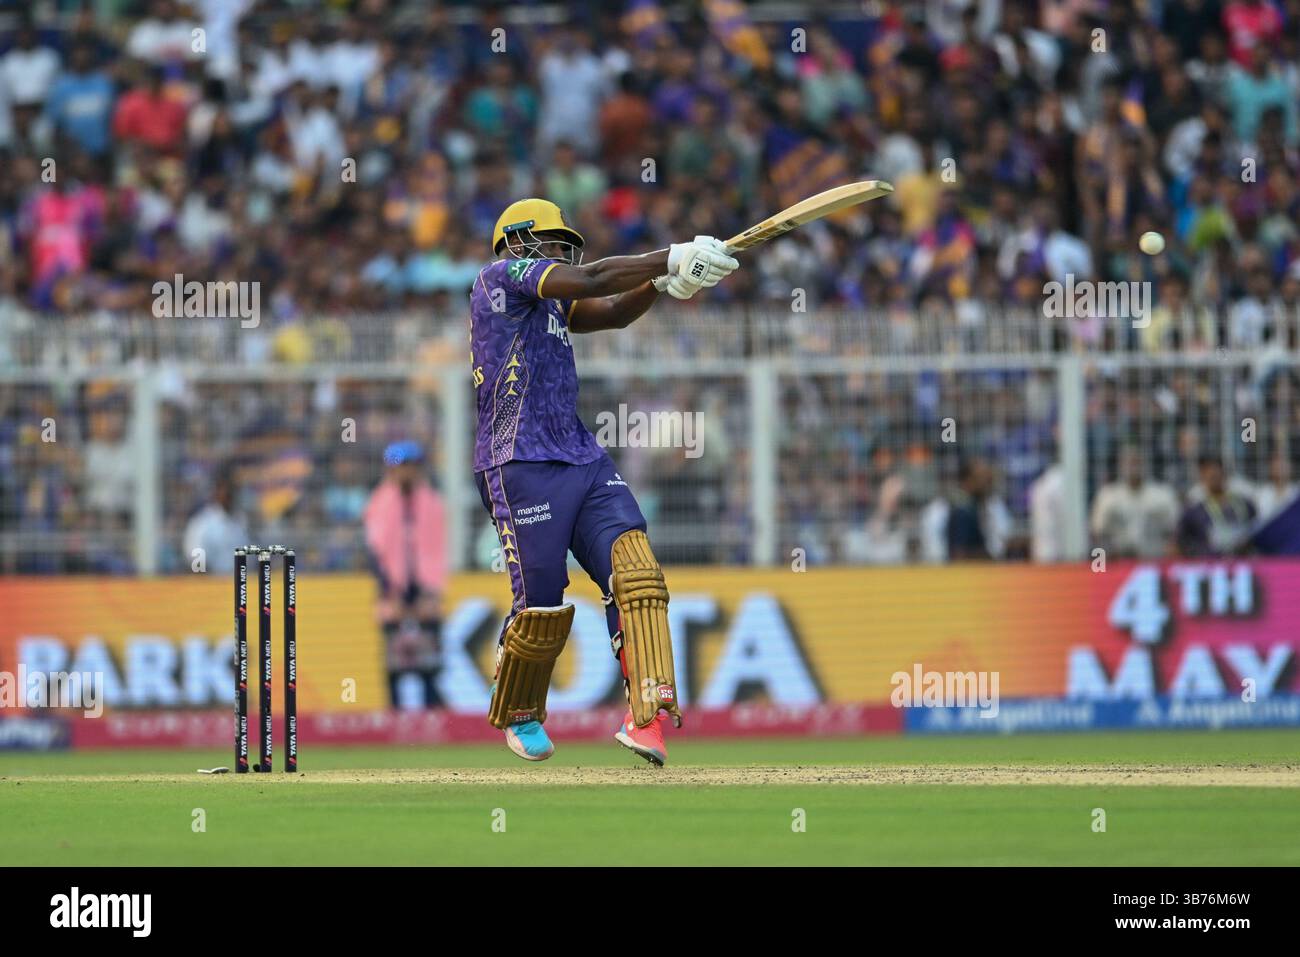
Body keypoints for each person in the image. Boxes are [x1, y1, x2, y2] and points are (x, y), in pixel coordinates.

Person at [470, 197, 737, 765]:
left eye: (567, 244)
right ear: (518, 241)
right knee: (540, 606)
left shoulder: (553, 308)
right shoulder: (500, 278)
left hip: (581, 457)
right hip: (518, 462)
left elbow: (612, 311)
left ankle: (647, 717)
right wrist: (671, 256)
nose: (564, 252)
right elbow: (593, 278)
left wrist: (663, 286)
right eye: (553, 242)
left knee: (636, 572)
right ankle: (520, 707)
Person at [364, 441, 447, 709]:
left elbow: (438, 551)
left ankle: (433, 724)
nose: (406, 473)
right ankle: (396, 726)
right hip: (392, 594)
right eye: (400, 467)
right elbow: (376, 553)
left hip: (427, 594)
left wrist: (430, 593)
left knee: (430, 665)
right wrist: (390, 592)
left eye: (411, 467)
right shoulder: (379, 503)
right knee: (394, 666)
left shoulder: (432, 503)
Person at [1089, 445, 1180, 559]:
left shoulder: (1163, 495)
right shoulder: (1107, 496)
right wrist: (1102, 564)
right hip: (1117, 563)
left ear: (1146, 463)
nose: (1133, 466)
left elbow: (1175, 534)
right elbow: (1097, 533)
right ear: (1120, 465)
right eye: (1128, 462)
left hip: (1154, 561)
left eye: (1137, 461)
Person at [1176, 455, 1257, 556]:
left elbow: (1255, 528)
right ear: (1202, 477)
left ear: (1224, 475)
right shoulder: (1195, 511)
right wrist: (1198, 553)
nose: (1214, 477)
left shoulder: (1243, 504)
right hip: (1210, 564)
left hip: (1241, 560)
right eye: (1210, 475)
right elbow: (1182, 540)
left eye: (1217, 474)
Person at [183, 464, 249, 574]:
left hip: (239, 583)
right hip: (213, 584)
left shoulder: (241, 521)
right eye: (224, 489)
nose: (228, 493)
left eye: (232, 488)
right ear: (216, 491)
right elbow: (195, 560)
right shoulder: (202, 523)